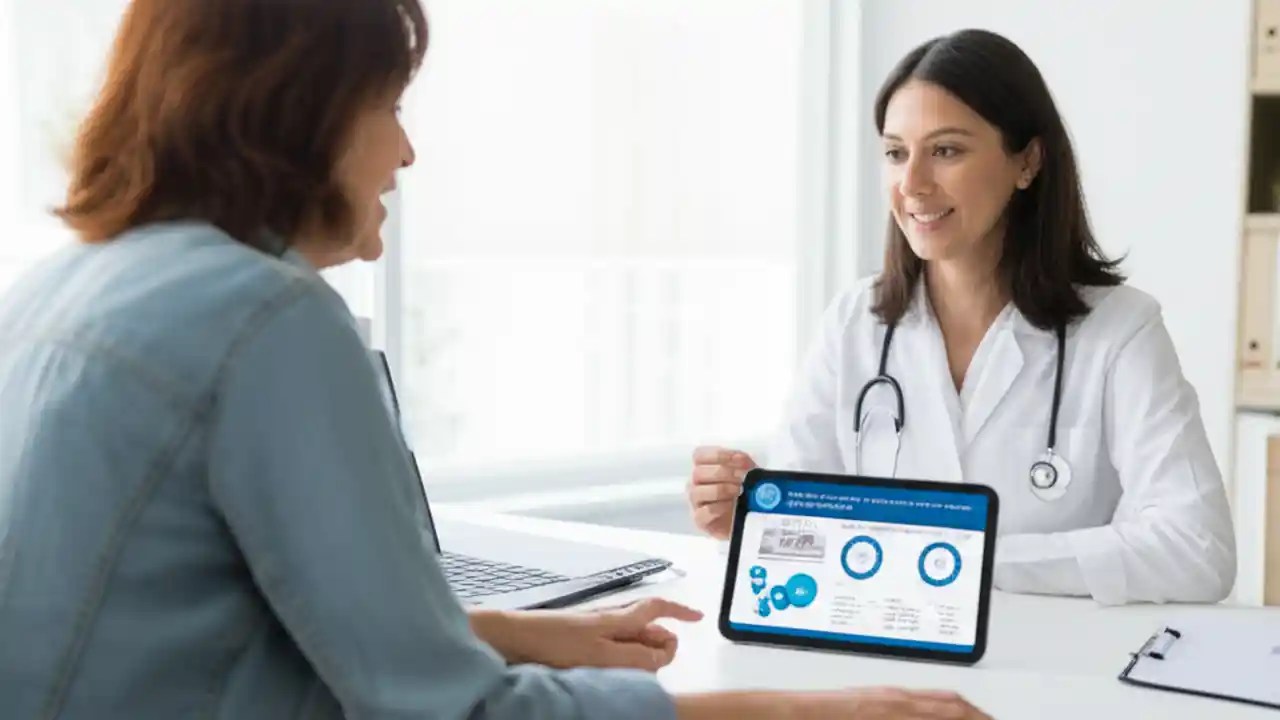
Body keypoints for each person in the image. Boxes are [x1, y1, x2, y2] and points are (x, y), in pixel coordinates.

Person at [0, 1, 991, 718]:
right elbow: (458, 717)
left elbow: (200, 622)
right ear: (296, 111)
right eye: (387, 105)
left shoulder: (68, 286)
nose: (405, 153)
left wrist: (504, 633)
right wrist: (803, 713)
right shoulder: (266, 320)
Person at [687, 29, 1236, 606]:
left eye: (946, 150)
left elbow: (1198, 550)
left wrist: (960, 554)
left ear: (1027, 161)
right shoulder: (854, 324)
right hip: (880, 666)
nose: (912, 184)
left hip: (1051, 673)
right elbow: (806, 537)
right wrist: (751, 521)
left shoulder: (1119, 329)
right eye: (897, 152)